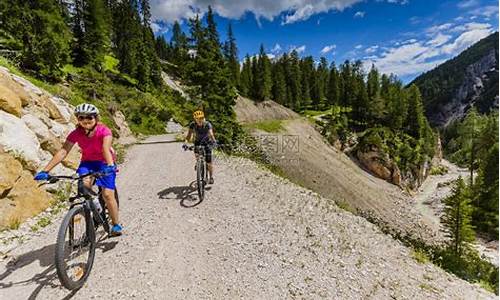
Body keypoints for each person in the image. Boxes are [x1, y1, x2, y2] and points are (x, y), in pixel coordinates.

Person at [34, 103, 123, 236]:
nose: (85, 120)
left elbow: (105, 149)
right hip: (87, 163)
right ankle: (96, 207)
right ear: (78, 119)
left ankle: (115, 224)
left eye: (89, 118)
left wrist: (110, 166)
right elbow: (64, 151)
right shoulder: (76, 133)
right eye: (81, 118)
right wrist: (45, 171)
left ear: (96, 118)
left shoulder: (104, 131)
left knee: (107, 194)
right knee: (84, 187)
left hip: (105, 162)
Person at [183, 110, 217, 184]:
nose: (199, 120)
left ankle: (211, 177)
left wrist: (214, 142)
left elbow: (211, 134)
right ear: (195, 119)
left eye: (201, 118)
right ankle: (198, 163)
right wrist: (185, 143)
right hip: (198, 141)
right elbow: (189, 135)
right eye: (197, 119)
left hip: (207, 142)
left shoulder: (207, 124)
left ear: (203, 118)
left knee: (209, 162)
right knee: (196, 152)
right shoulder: (193, 125)